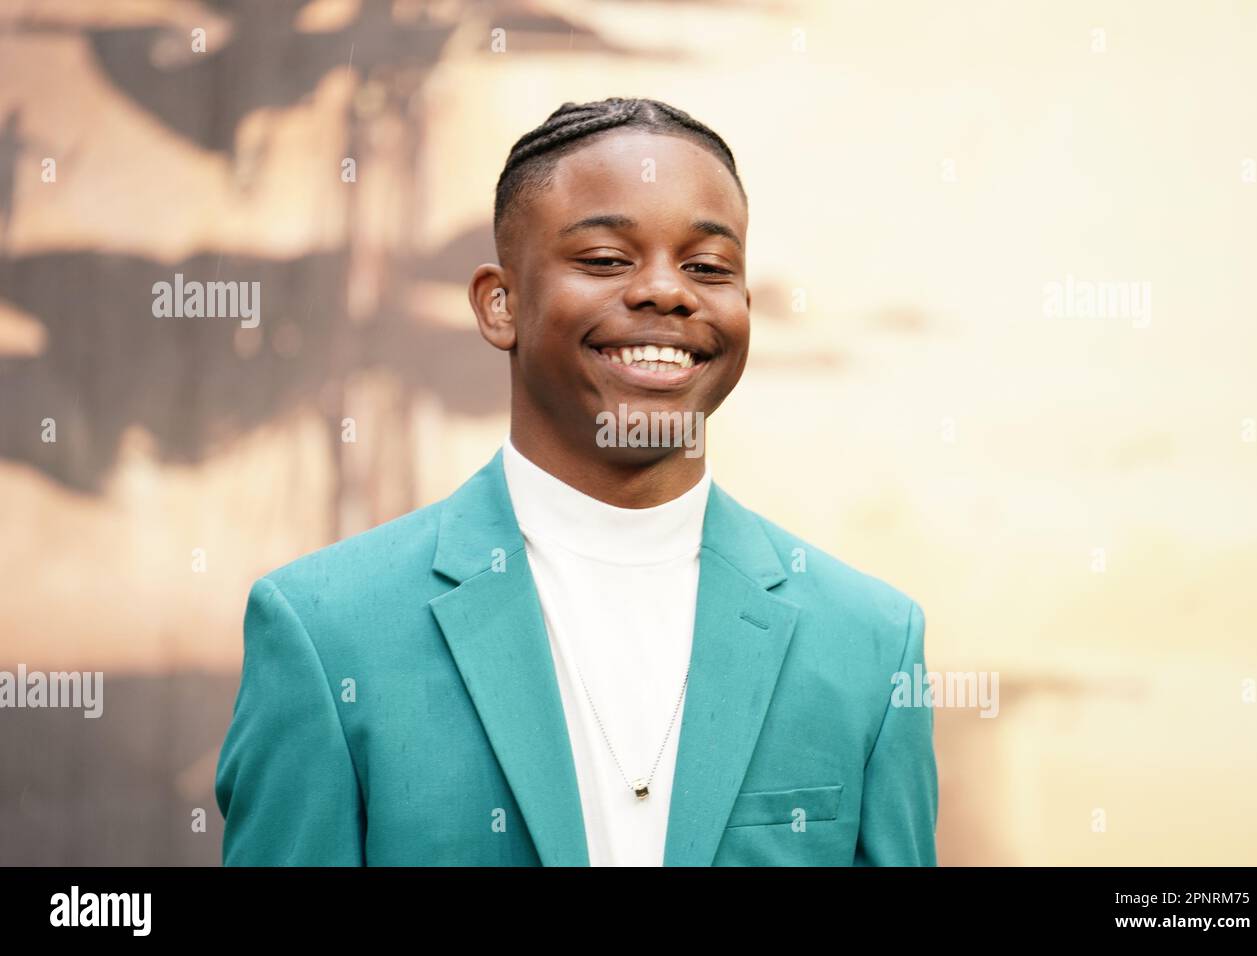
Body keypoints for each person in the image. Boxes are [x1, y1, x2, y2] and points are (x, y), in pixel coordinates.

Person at [215, 96, 938, 866]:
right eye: (605, 260)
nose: (668, 291)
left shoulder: (871, 641)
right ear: (502, 304)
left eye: (708, 267)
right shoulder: (327, 632)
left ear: (744, 306)